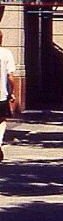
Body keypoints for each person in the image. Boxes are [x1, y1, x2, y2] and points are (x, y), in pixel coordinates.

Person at [0, 30, 17, 163]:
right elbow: (10, 76)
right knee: (1, 120)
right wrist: (12, 91)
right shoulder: (6, 53)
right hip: (1, 94)